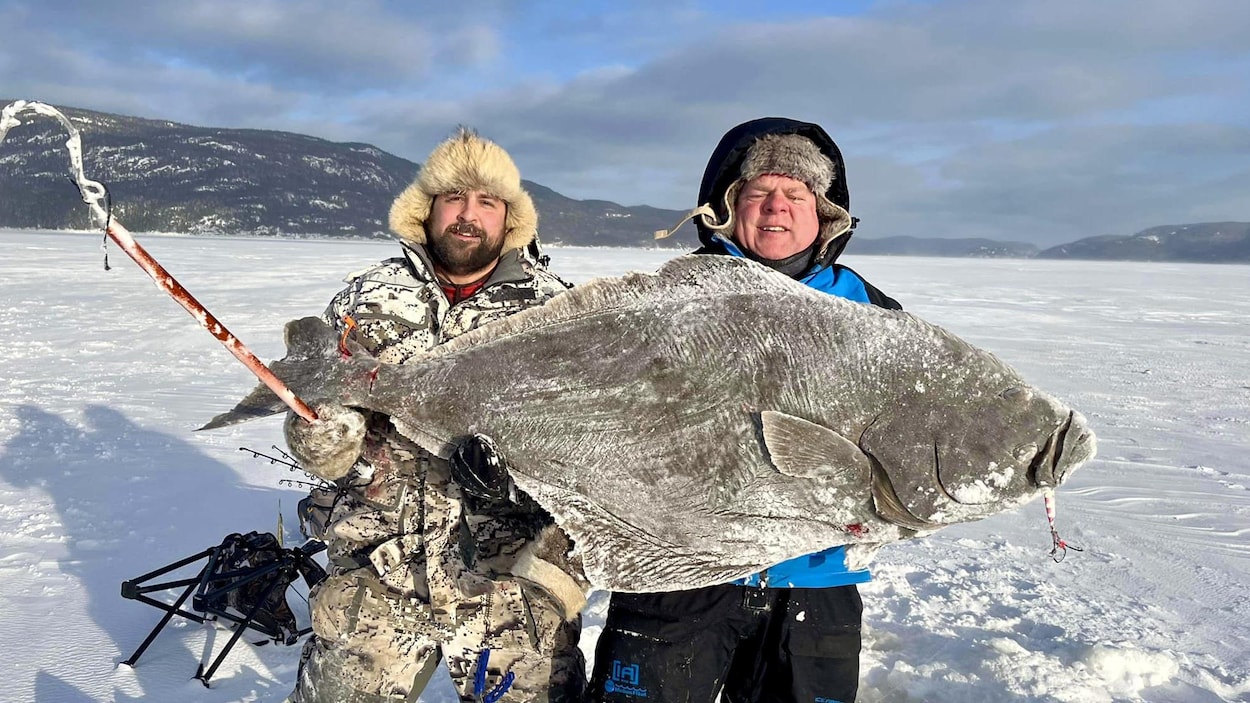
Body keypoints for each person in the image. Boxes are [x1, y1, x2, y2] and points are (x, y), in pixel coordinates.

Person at [586, 117, 902, 703]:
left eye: (795, 194)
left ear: (824, 212)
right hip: (679, 567)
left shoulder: (872, 314)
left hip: (816, 576)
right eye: (758, 193)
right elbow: (602, 414)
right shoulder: (667, 299)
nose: (775, 208)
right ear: (727, 207)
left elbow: (903, 434)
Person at [282, 127, 586, 702]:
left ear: (509, 219)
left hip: (512, 587)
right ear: (427, 210)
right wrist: (326, 440)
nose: (468, 216)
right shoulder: (364, 300)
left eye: (487, 202)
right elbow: (321, 425)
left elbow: (591, 453)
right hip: (377, 577)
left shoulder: (557, 312)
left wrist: (516, 499)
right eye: (454, 199)